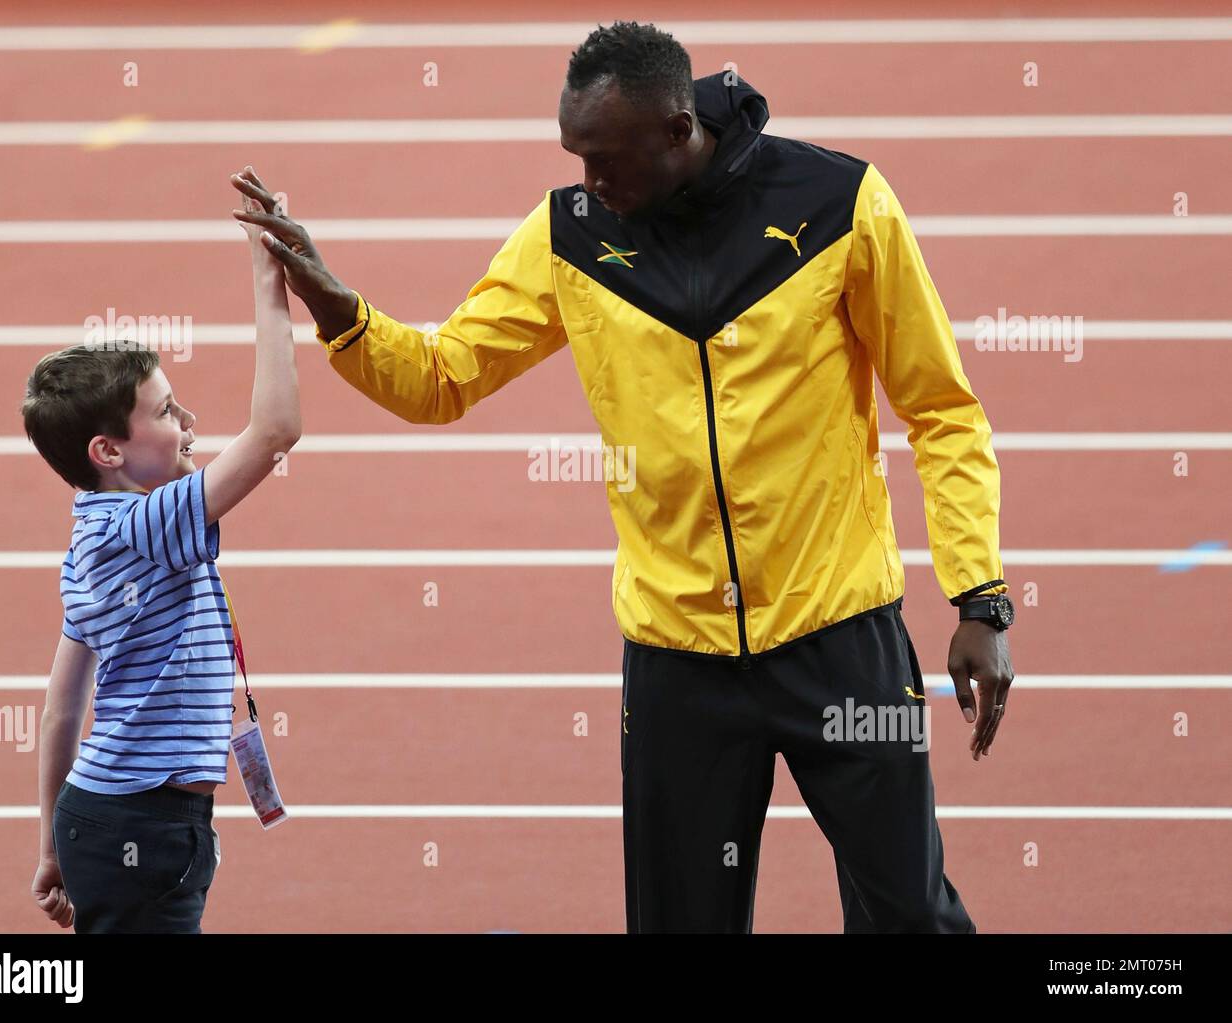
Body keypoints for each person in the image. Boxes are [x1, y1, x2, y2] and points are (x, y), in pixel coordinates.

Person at [230, 21, 1015, 934]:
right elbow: (443, 377)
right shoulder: (569, 237)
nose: (589, 183)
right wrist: (339, 309)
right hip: (679, 662)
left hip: (841, 640)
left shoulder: (839, 203)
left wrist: (979, 598)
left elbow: (942, 408)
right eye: (576, 158)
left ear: (678, 130)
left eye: (606, 161)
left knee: (911, 915)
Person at [24, 196, 300, 932]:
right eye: (168, 411)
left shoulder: (92, 538)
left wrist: (52, 841)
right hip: (141, 829)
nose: (189, 424)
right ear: (107, 452)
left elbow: (61, 708)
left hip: (108, 821)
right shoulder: (148, 524)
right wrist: (267, 276)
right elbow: (276, 430)